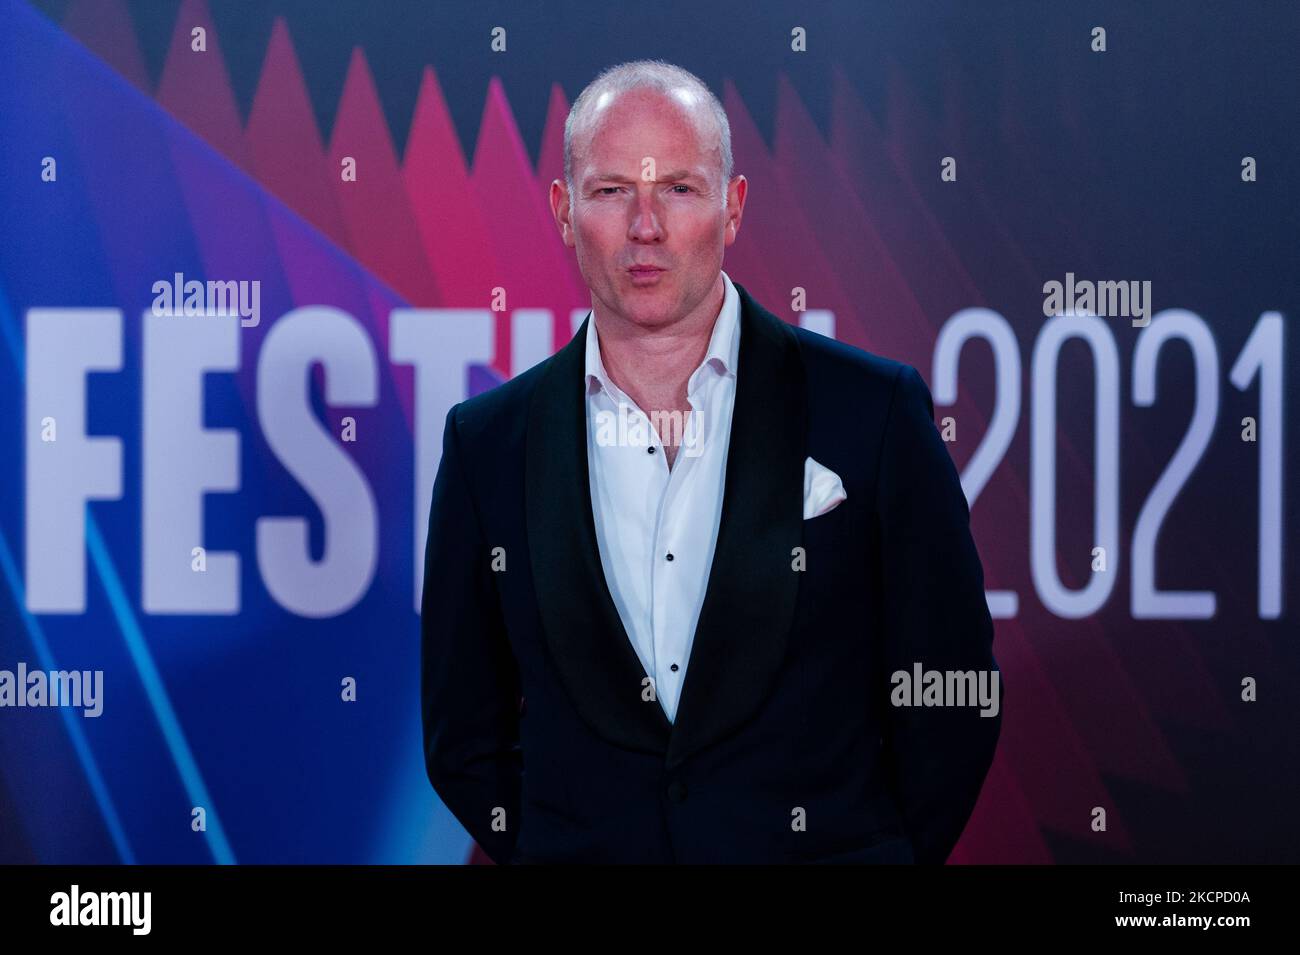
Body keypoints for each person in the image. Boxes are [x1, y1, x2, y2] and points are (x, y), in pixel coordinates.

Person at [421, 59, 1001, 864]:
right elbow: (462, 735)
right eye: (612, 189)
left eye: (680, 190)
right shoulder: (486, 445)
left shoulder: (873, 413)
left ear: (732, 207)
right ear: (563, 210)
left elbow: (952, 696)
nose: (645, 225)